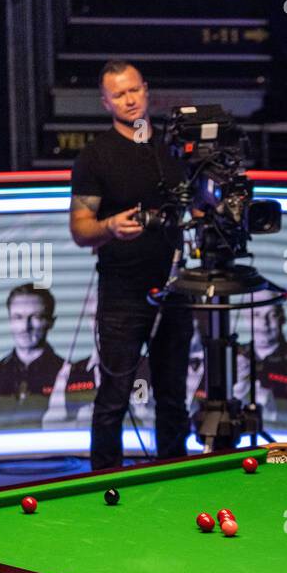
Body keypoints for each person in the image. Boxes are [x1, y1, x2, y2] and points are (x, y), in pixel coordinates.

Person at [69, 60, 194, 471]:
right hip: (123, 291)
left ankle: (177, 476)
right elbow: (80, 228)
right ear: (106, 101)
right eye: (119, 94)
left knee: (173, 395)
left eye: (134, 90)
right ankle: (102, 480)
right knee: (114, 396)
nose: (129, 100)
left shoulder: (173, 149)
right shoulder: (96, 155)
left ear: (146, 90)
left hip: (175, 286)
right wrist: (110, 225)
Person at [0, 285, 65, 431]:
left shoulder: (68, 373)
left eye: (35, 317)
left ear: (51, 322)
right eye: (18, 317)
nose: (25, 327)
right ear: (10, 321)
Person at [232, 302, 287, 431]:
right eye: (256, 315)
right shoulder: (231, 358)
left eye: (272, 315)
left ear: (282, 318)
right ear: (247, 319)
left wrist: (277, 413)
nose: (264, 322)